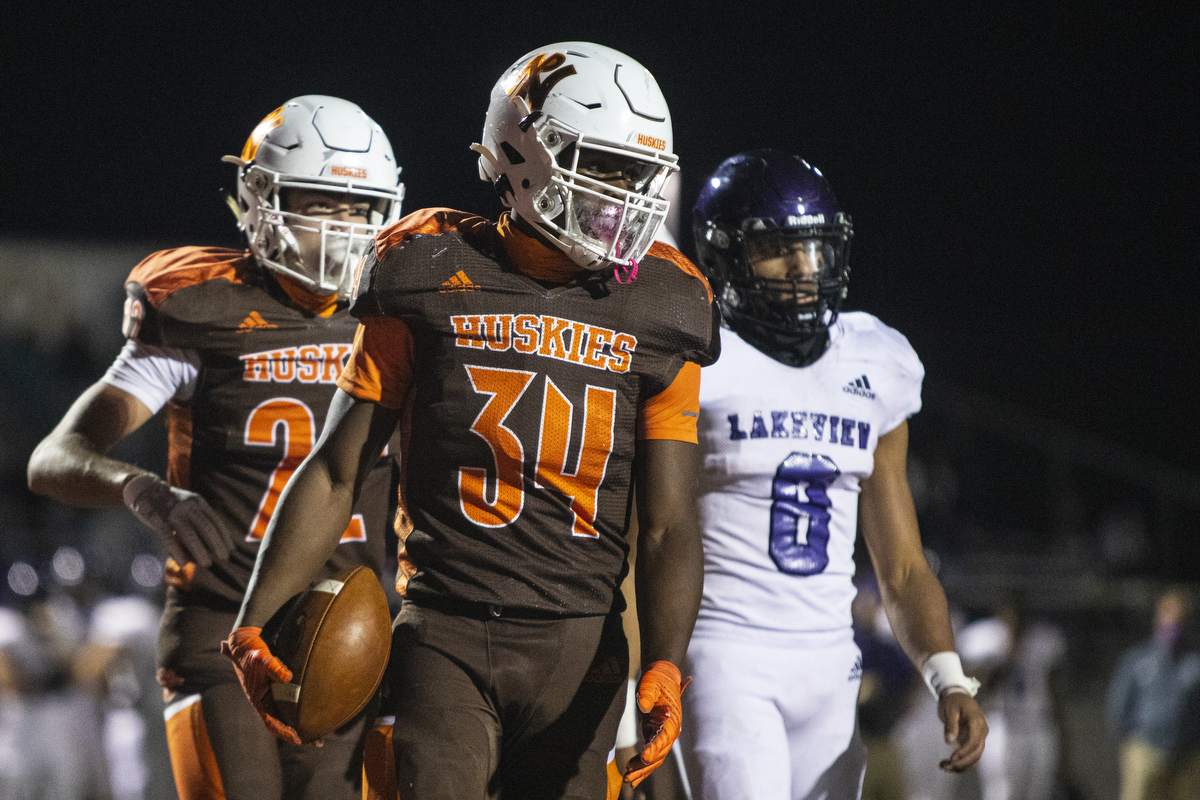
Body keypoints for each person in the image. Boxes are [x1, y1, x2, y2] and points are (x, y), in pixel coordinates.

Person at [220, 42, 719, 800]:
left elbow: (669, 523)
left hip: (583, 646)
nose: (621, 194)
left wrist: (667, 659)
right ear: (520, 152)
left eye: (634, 173)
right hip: (445, 632)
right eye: (600, 164)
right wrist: (254, 619)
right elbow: (338, 466)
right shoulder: (424, 266)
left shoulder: (666, 303)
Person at [27, 95, 406, 800]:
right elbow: (54, 456)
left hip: (342, 625)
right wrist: (140, 489)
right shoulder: (205, 308)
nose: (347, 230)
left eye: (362, 209)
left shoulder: (392, 318)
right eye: (324, 204)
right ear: (261, 201)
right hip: (222, 625)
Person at [678, 149, 988, 800]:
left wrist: (949, 677)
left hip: (830, 658)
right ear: (722, 256)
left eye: (813, 248)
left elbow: (901, 564)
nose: (802, 267)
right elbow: (650, 532)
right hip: (723, 652)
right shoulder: (694, 359)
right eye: (776, 249)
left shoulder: (875, 358)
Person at [1106, 588, 1200, 800]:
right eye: (1169, 614)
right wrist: (1130, 743)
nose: (1174, 623)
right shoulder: (1139, 659)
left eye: (1181, 617)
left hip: (1186, 756)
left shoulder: (1194, 664)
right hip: (1145, 750)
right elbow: (1118, 704)